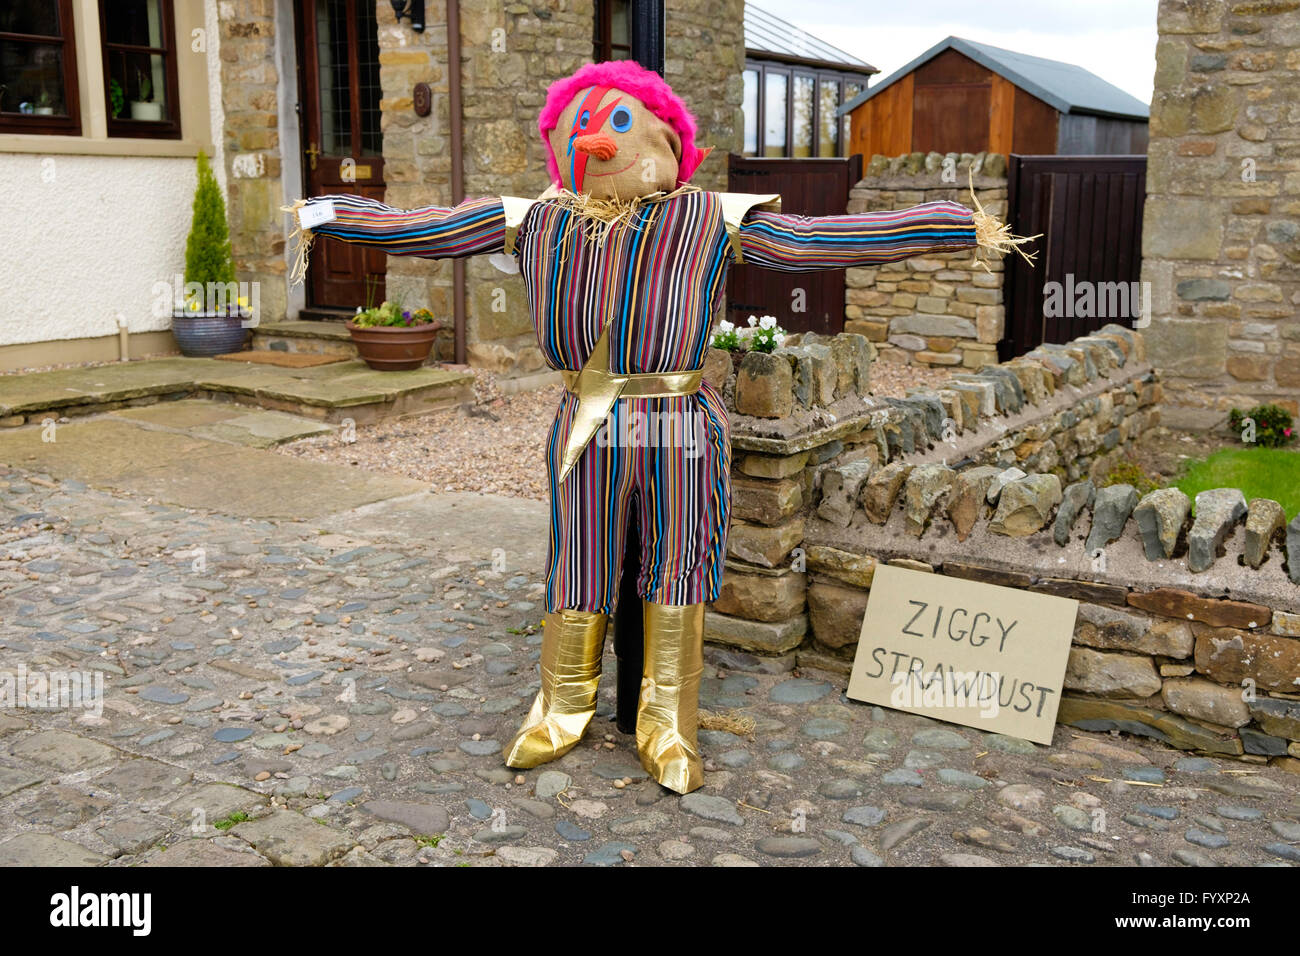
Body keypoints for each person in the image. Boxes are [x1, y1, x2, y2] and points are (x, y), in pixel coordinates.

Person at [287, 60, 1004, 794]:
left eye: (618, 122)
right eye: (581, 128)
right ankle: (564, 705)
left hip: (679, 420)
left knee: (679, 559)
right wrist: (327, 214)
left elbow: (816, 239)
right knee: (579, 559)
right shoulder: (538, 220)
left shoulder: (709, 217)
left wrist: (952, 224)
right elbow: (427, 228)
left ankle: (668, 720)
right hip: (584, 423)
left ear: (668, 138)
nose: (598, 139)